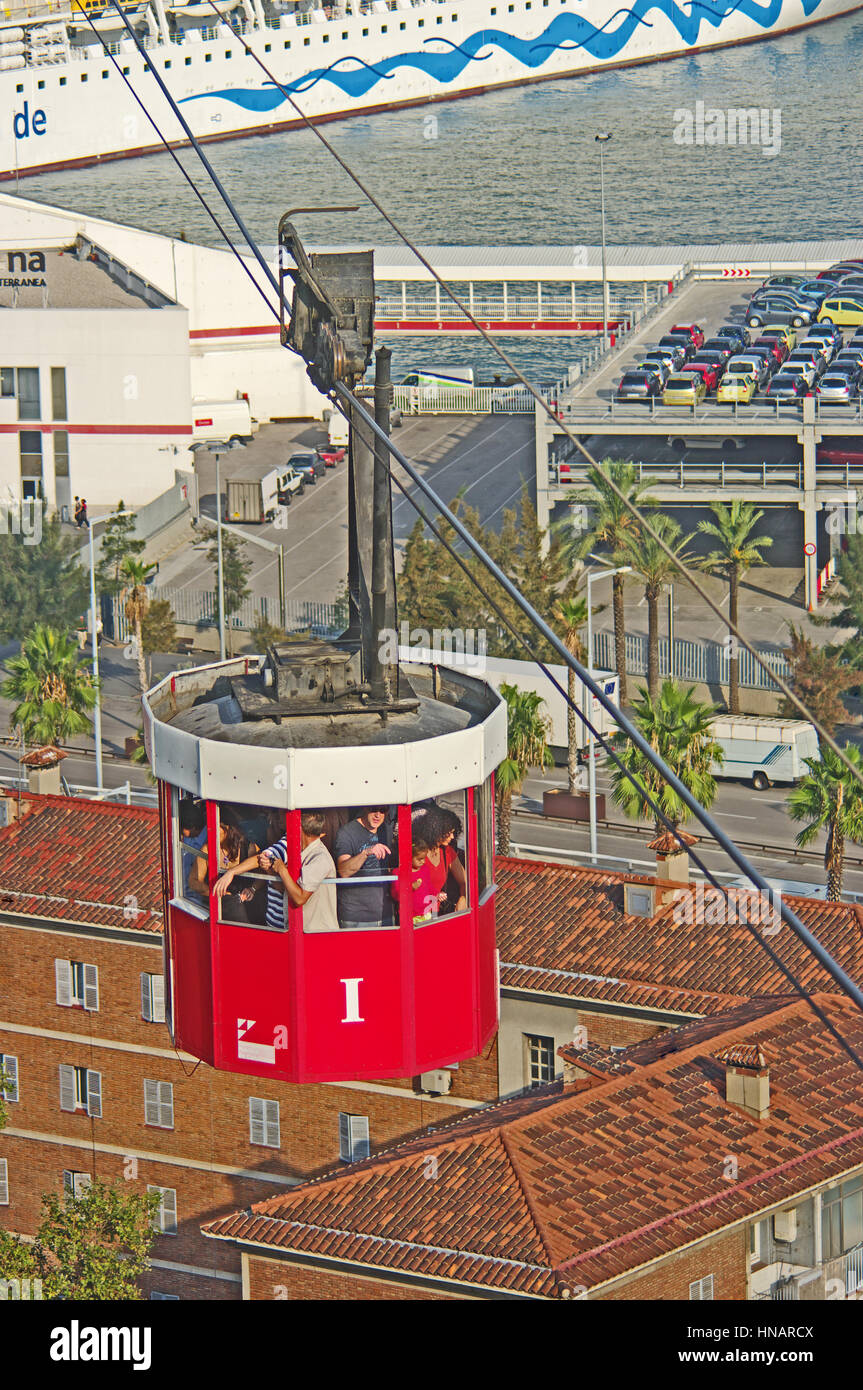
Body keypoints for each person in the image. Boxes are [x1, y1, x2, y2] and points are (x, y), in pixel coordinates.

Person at [265, 810, 338, 932]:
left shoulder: (320, 858)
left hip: (316, 934)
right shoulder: (304, 852)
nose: (287, 831)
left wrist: (282, 869)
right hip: (303, 931)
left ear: (299, 829)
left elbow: (299, 898)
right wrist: (270, 868)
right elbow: (287, 888)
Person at [214, 811, 286, 929]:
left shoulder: (248, 846)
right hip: (271, 918)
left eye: (271, 825)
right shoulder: (208, 847)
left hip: (276, 921)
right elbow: (194, 881)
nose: (210, 832)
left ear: (227, 828)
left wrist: (251, 888)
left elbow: (261, 859)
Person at [334, 807, 393, 928]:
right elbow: (344, 871)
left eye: (382, 811)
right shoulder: (347, 833)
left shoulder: (385, 830)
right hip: (357, 914)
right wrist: (366, 852)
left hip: (385, 911)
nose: (378, 815)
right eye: (374, 809)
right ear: (365, 808)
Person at [391, 819, 438, 924]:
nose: (423, 862)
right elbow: (395, 894)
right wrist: (411, 887)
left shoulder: (425, 869)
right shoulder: (398, 872)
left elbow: (429, 887)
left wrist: (437, 894)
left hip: (427, 913)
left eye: (424, 858)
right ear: (408, 857)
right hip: (409, 917)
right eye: (419, 859)